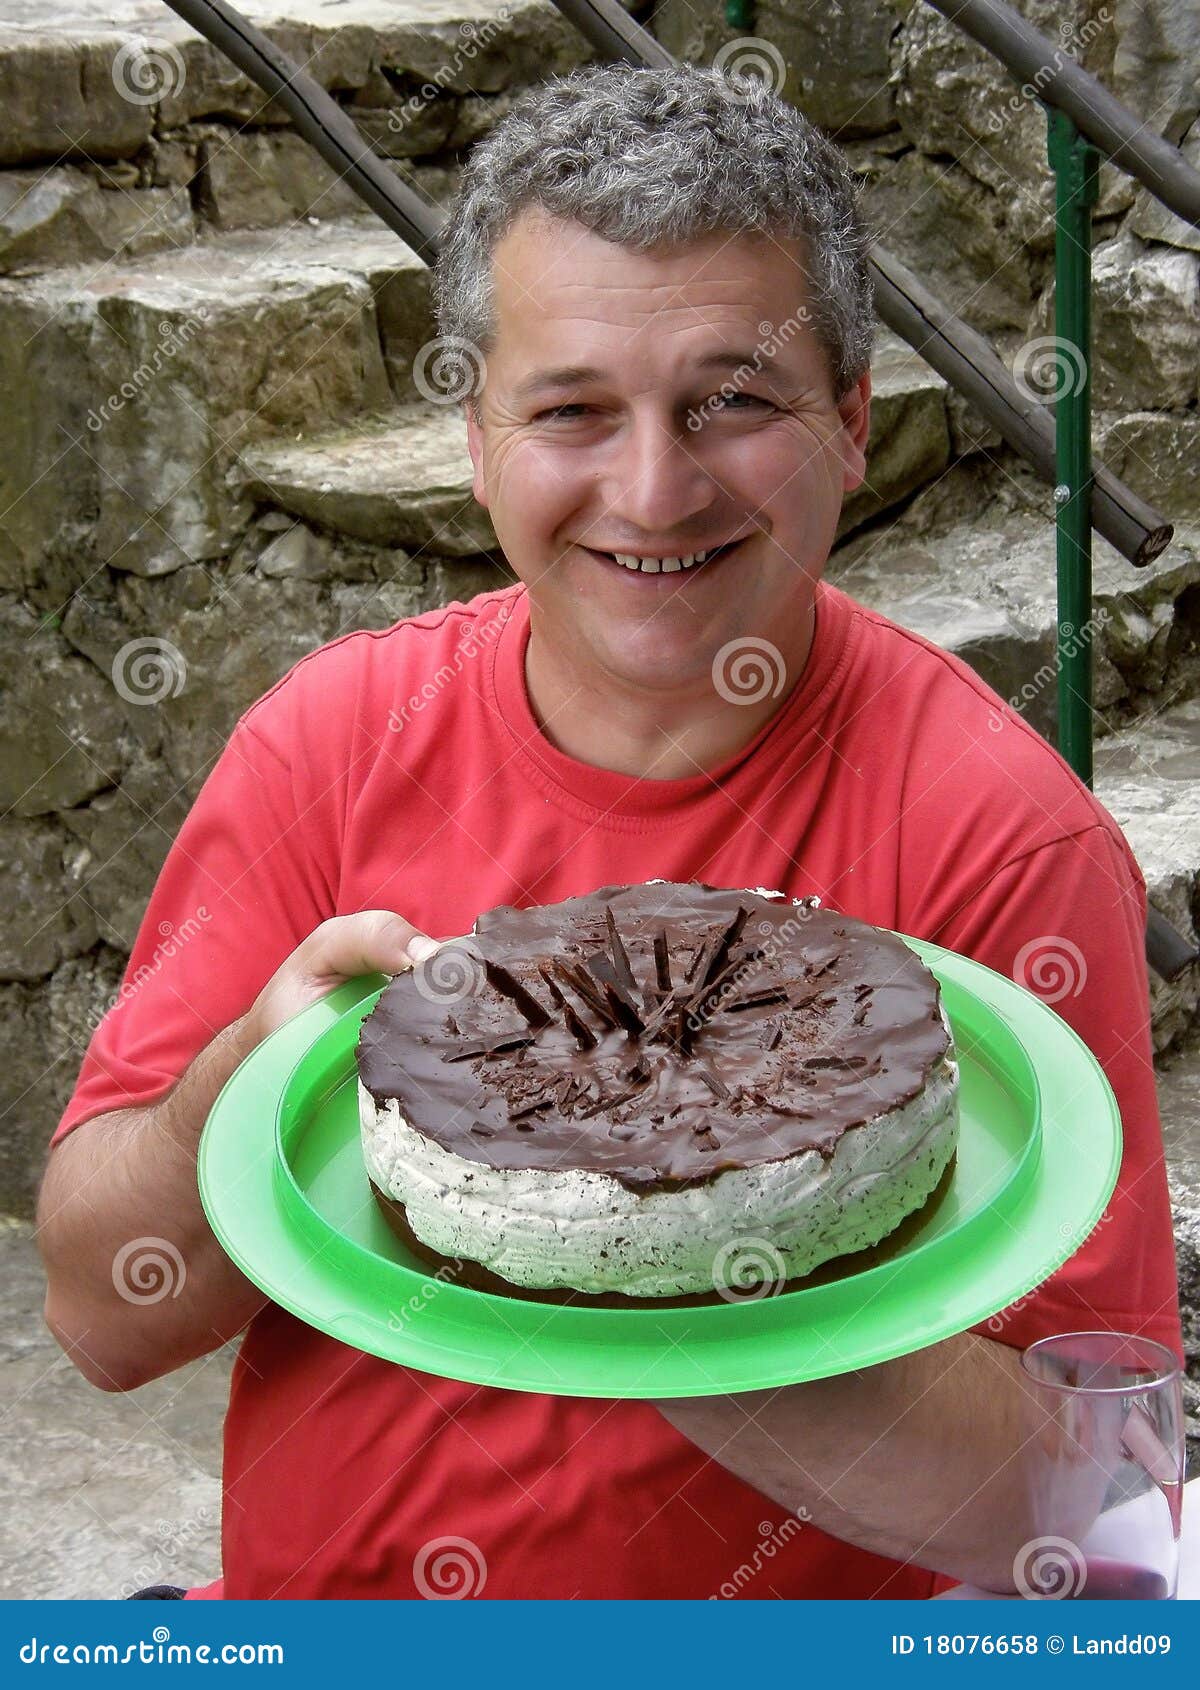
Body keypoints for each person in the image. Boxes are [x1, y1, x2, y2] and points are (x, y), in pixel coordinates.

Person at [37, 63, 1181, 1600]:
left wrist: (671, 1250)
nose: (653, 491)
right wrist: (238, 1100)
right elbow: (106, 1319)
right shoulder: (329, 744)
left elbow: (1091, 1513)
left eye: (733, 400)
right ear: (476, 436)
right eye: (573, 409)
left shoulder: (1001, 838)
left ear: (851, 422)